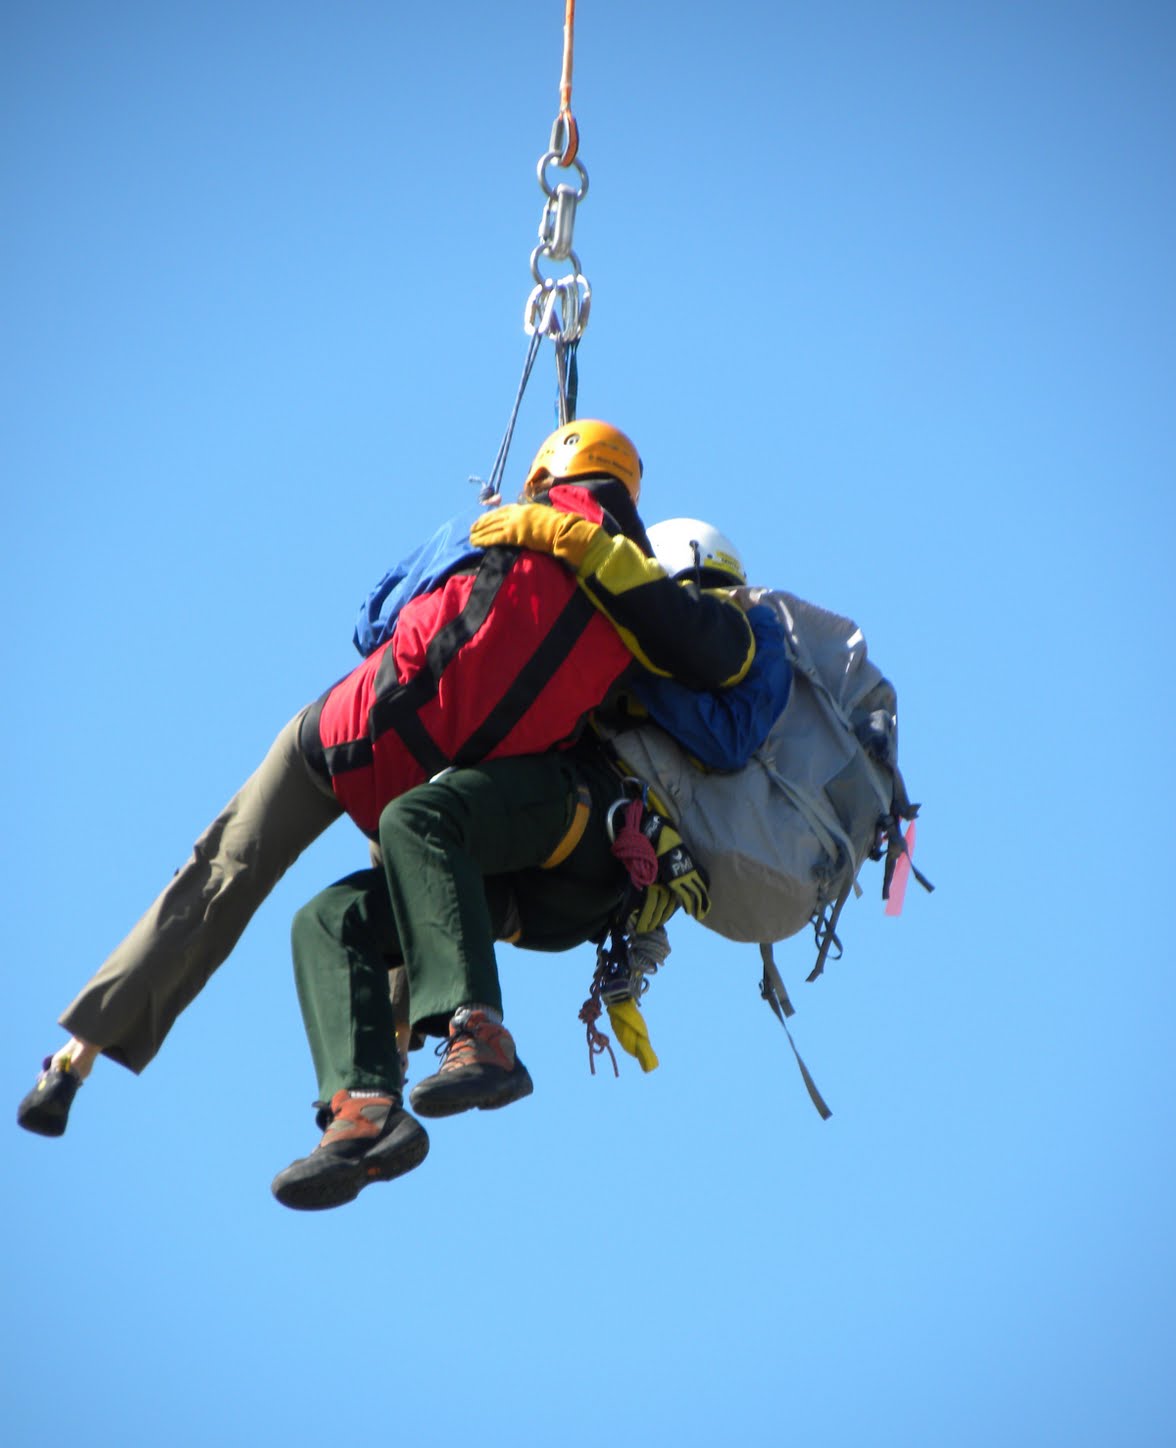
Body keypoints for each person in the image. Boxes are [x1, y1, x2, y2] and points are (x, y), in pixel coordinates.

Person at [18, 421, 757, 1142]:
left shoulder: (493, 528)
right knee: (414, 891)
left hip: (343, 742)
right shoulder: (647, 625)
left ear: (544, 476)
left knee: (222, 872)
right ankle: (385, 1085)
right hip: (431, 784)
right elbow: (725, 663)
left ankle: (76, 1061)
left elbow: (374, 621)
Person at [269, 516, 785, 1210]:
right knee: (329, 921)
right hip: (529, 879)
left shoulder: (745, 634)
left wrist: (621, 648)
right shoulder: (628, 625)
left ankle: (479, 1032)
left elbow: (728, 737)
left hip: (600, 826)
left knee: (419, 819)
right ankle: (363, 1107)